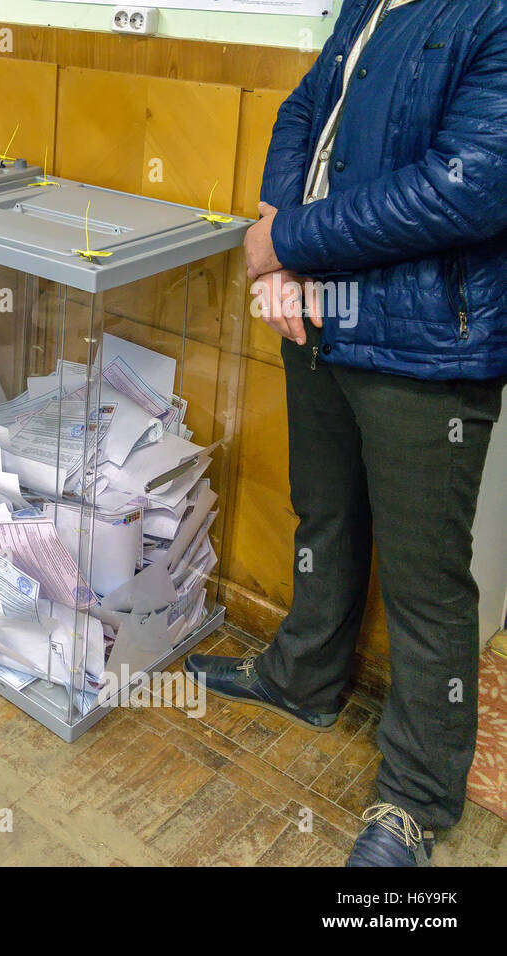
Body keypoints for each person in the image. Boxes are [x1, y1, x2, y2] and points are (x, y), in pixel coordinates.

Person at [186, 0, 507, 866]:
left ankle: (415, 799)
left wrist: (283, 240)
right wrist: (284, 250)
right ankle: (303, 679)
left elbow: (467, 187)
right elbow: (302, 110)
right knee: (323, 514)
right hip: (324, 313)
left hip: (426, 341)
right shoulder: (368, 4)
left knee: (424, 578)